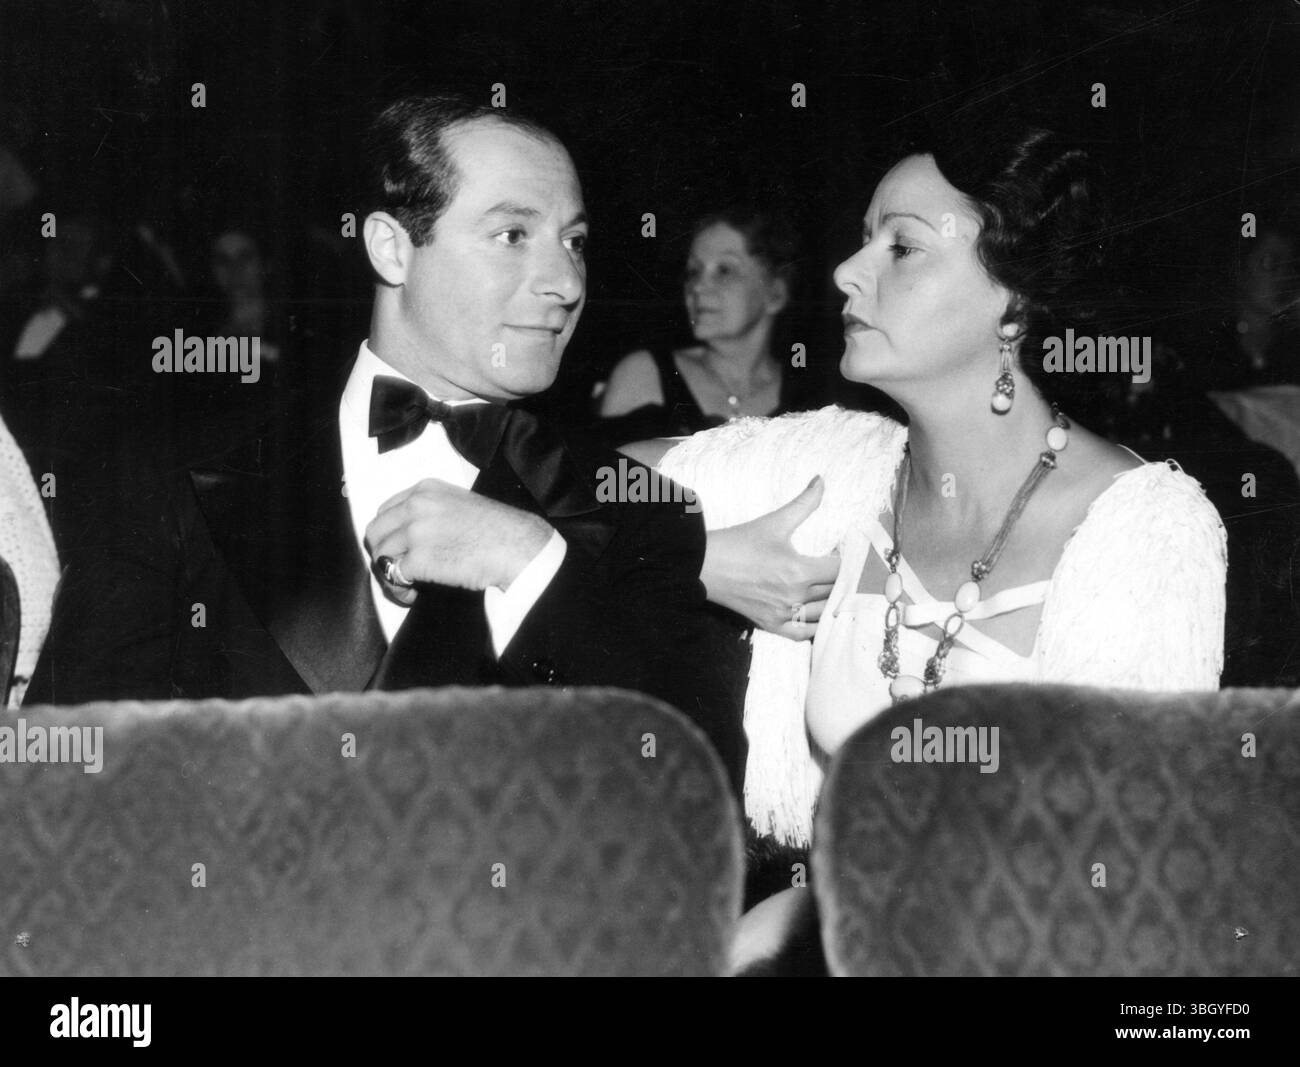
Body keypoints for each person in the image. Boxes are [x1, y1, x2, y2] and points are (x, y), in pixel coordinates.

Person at [27, 94, 750, 795]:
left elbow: (700, 793)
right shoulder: (174, 472)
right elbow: (62, 774)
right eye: (512, 235)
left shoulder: (630, 506)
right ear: (392, 249)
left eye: (576, 242)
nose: (564, 281)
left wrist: (530, 567)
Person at [654, 121, 1228, 862]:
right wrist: (692, 554)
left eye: (901, 246)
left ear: (1012, 302)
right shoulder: (843, 467)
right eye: (865, 238)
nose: (847, 272)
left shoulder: (1142, 531)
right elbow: (581, 483)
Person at [596, 208, 811, 443]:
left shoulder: (809, 400)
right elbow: (607, 476)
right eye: (694, 271)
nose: (697, 287)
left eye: (724, 270)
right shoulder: (644, 375)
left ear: (775, 294)